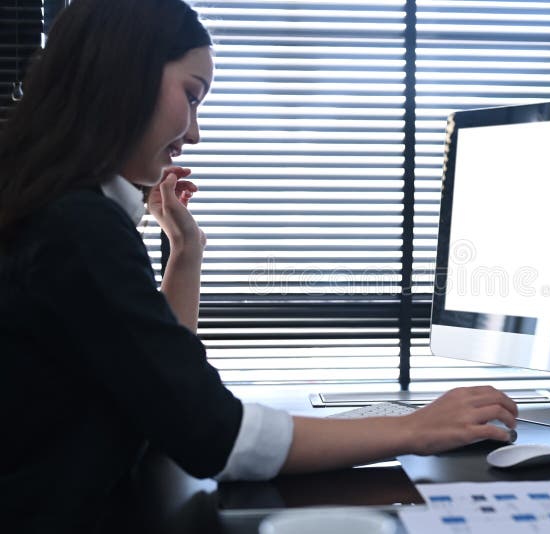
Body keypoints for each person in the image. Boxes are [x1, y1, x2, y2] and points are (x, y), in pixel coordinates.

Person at [0, 0, 518, 531]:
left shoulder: (53, 206)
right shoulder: (77, 225)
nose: (195, 133)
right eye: (192, 95)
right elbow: (212, 435)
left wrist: (186, 249)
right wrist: (418, 429)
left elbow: (158, 393)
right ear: (124, 70)